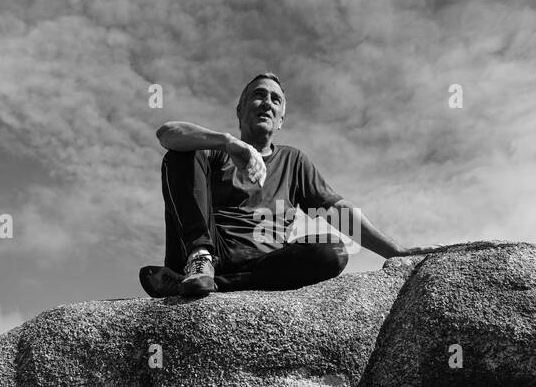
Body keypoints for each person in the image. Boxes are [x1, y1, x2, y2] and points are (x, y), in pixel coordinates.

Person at [141, 72, 441, 298]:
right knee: (181, 153)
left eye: (276, 100)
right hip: (207, 249)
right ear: (240, 110)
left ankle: (213, 284)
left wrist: (396, 252)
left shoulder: (293, 161)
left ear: (281, 119)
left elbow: (338, 211)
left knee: (332, 252)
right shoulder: (217, 149)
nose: (267, 104)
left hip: (261, 264)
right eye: (258, 95)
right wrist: (230, 143)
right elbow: (167, 133)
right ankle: (198, 263)